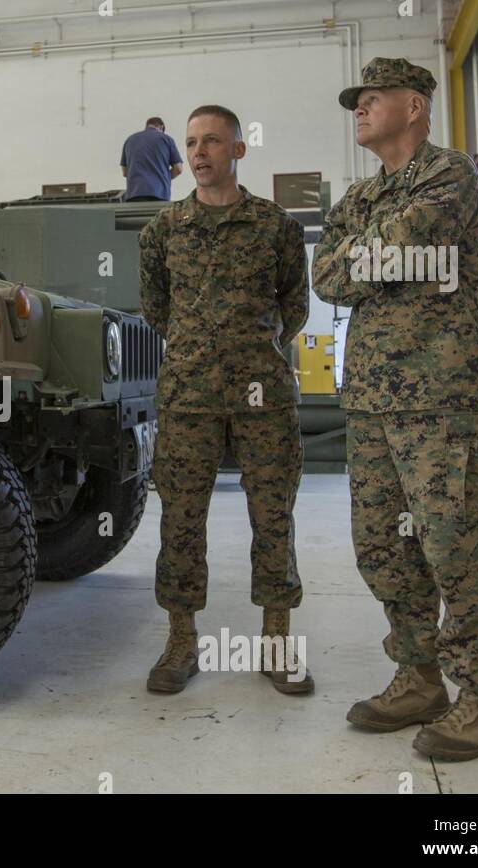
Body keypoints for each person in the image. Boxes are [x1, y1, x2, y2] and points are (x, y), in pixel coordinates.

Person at [313, 58, 478, 761]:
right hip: (370, 398)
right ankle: (420, 675)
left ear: (415, 106)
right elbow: (328, 274)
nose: (360, 111)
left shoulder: (452, 176)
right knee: (382, 548)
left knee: (452, 544)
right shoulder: (360, 195)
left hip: (442, 398)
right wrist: (370, 254)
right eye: (357, 102)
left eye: (372, 100)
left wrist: (367, 255)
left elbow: (399, 248)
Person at [138, 104, 312, 696]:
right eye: (190, 143)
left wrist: (252, 350)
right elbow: (156, 309)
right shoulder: (162, 231)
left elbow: (296, 304)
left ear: (238, 150)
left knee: (273, 517)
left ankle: (277, 639)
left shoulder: (276, 225)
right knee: (181, 520)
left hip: (263, 396)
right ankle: (182, 642)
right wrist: (200, 350)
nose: (199, 153)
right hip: (189, 396)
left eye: (213, 141)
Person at [121, 117, 184, 202]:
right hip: (160, 193)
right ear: (161, 127)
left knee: (137, 215)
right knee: (159, 215)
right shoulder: (166, 139)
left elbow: (125, 172)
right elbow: (178, 169)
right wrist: (164, 177)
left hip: (134, 194)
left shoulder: (129, 140)